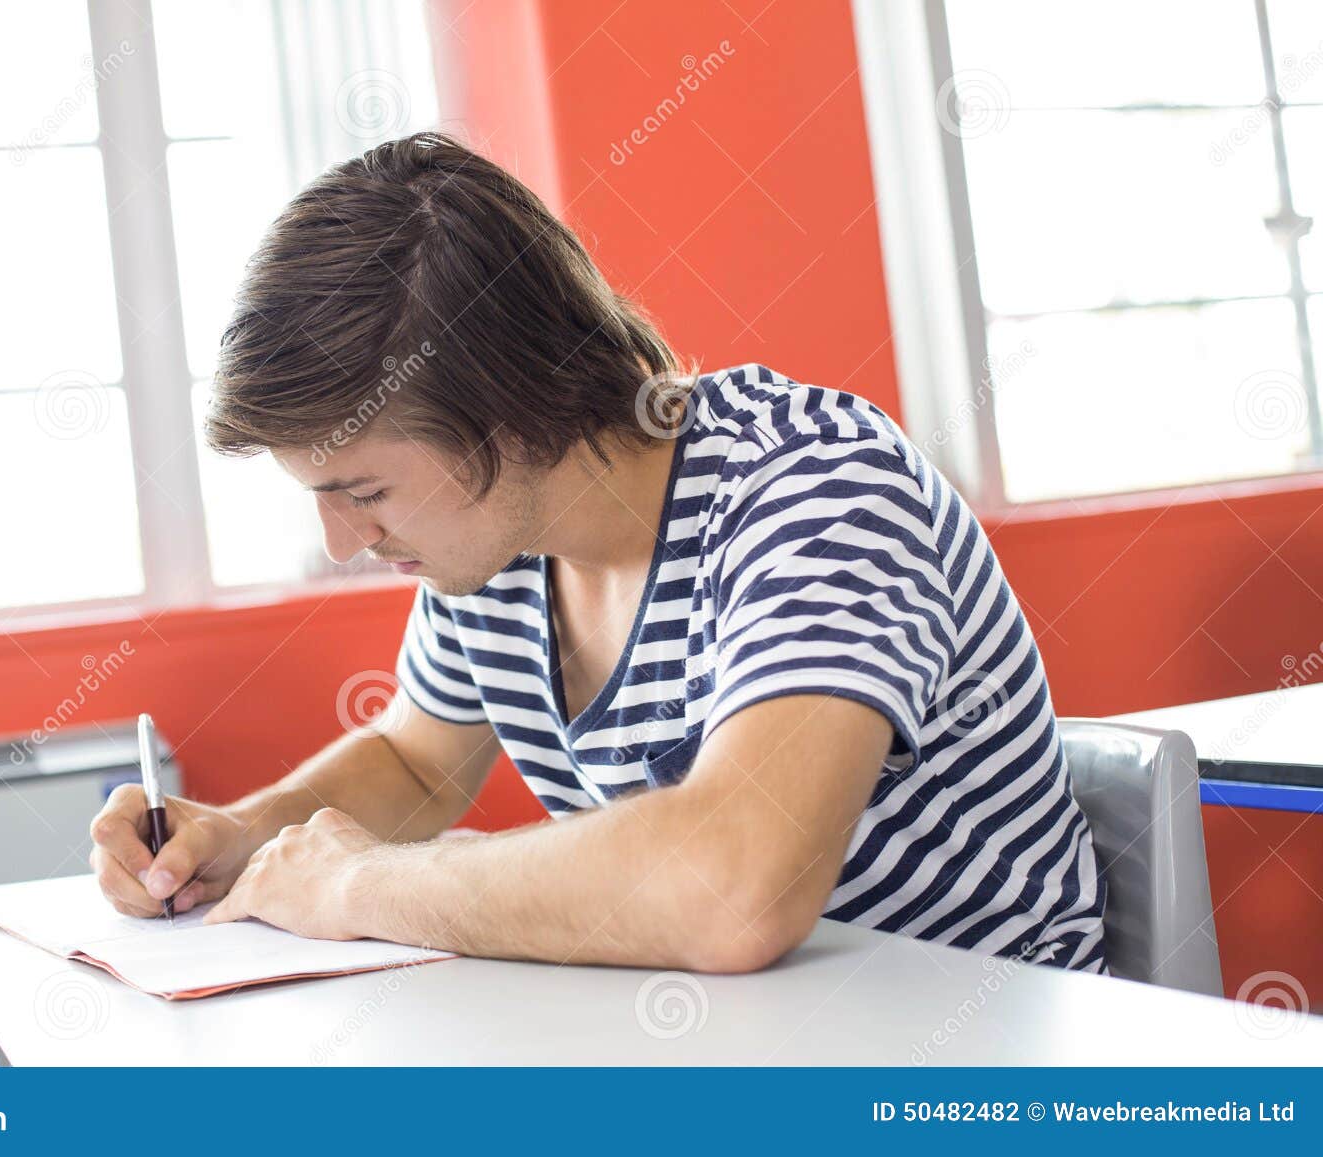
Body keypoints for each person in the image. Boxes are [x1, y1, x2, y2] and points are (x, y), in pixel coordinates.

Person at [89, 132, 1106, 975]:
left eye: (364, 492)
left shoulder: (816, 488)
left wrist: (357, 885)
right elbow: (411, 761)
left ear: (513, 419)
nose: (344, 541)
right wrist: (244, 835)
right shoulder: (493, 548)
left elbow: (734, 886)